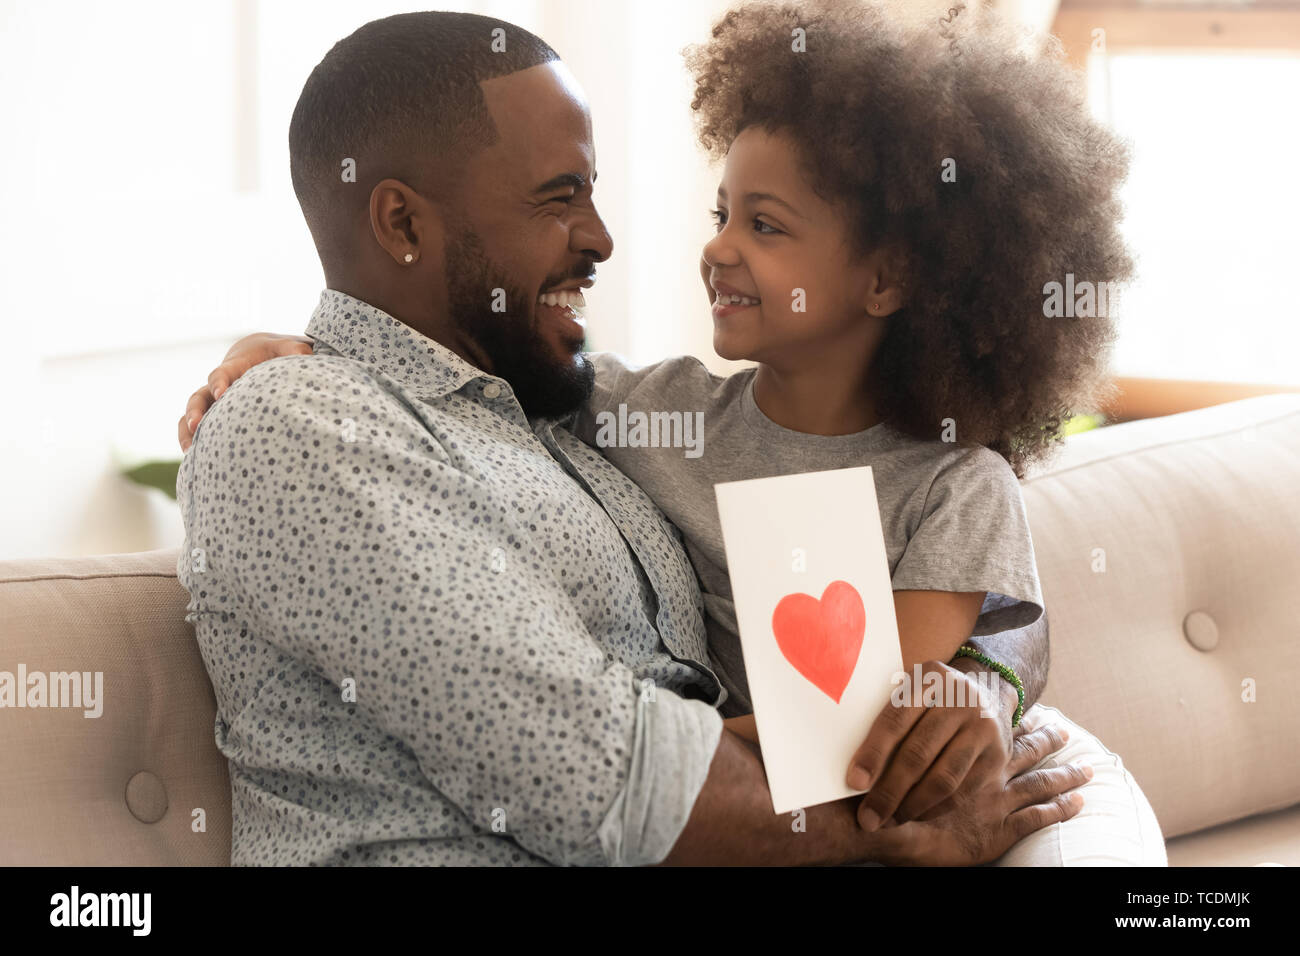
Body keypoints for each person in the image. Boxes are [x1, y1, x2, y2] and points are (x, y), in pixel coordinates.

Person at [176, 8, 1106, 866]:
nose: (604, 238)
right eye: (558, 198)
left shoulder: (562, 412)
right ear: (403, 221)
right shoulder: (303, 425)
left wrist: (987, 685)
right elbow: (604, 780)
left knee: (1090, 803)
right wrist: (912, 822)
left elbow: (975, 610)